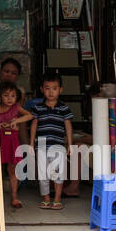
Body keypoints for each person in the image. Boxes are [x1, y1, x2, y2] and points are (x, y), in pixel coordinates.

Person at [27, 70, 74, 210]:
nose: (51, 92)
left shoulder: (64, 108)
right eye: (47, 88)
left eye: (54, 88)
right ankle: (47, 199)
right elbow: (33, 125)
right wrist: (30, 144)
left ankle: (57, 199)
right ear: (42, 89)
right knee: (43, 174)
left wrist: (70, 144)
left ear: (60, 90)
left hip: (58, 145)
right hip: (41, 145)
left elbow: (68, 126)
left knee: (58, 173)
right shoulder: (38, 108)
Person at [0, 82, 33, 209]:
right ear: (0, 96)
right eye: (6, 95)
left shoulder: (16, 107)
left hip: (12, 142)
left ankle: (14, 197)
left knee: (12, 171)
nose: (9, 98)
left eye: (12, 95)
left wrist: (17, 120)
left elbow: (30, 115)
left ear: (16, 97)